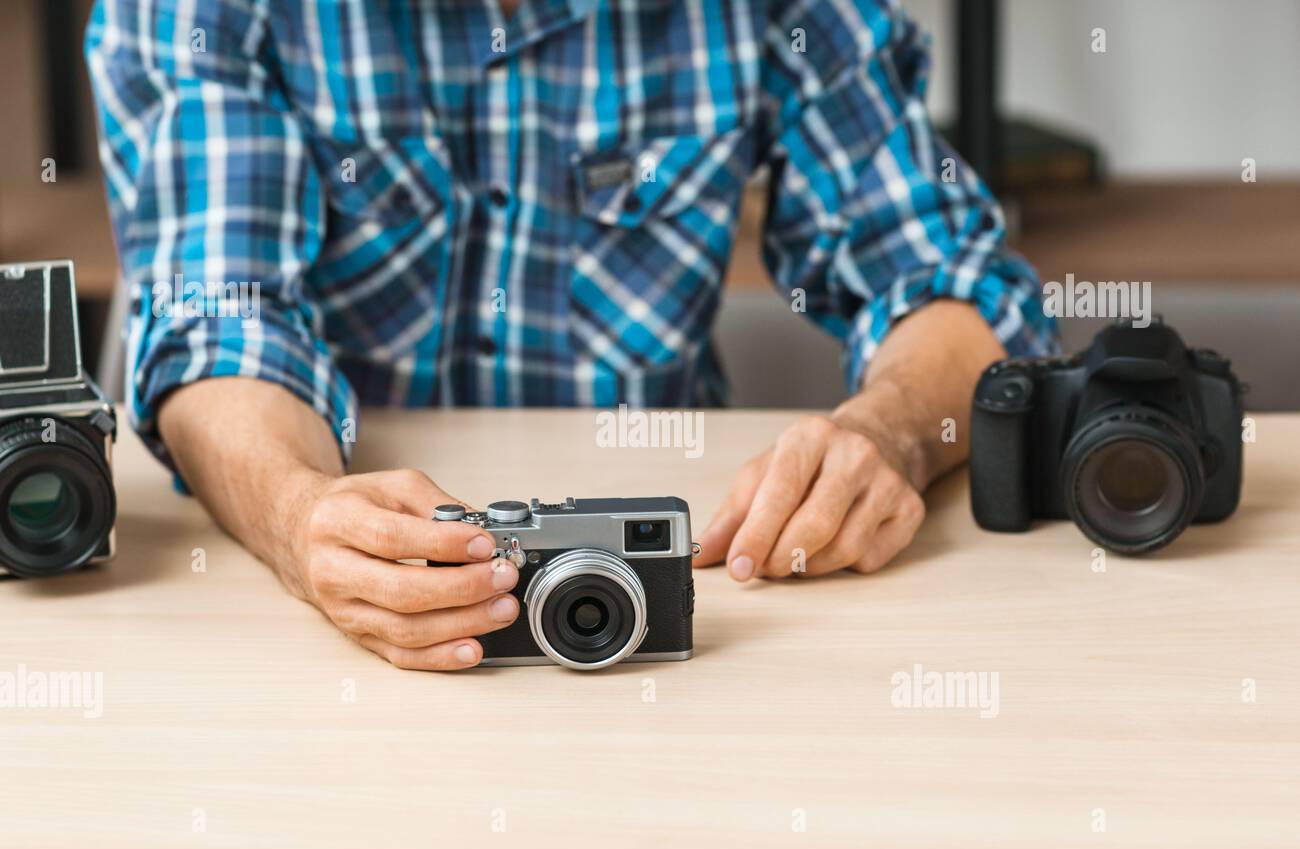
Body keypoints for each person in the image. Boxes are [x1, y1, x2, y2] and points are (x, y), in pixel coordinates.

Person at [86, 0, 1057, 670]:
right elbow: (219, 318)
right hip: (351, 662)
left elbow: (956, 282)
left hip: (701, 625)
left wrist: (888, 430)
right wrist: (302, 516)